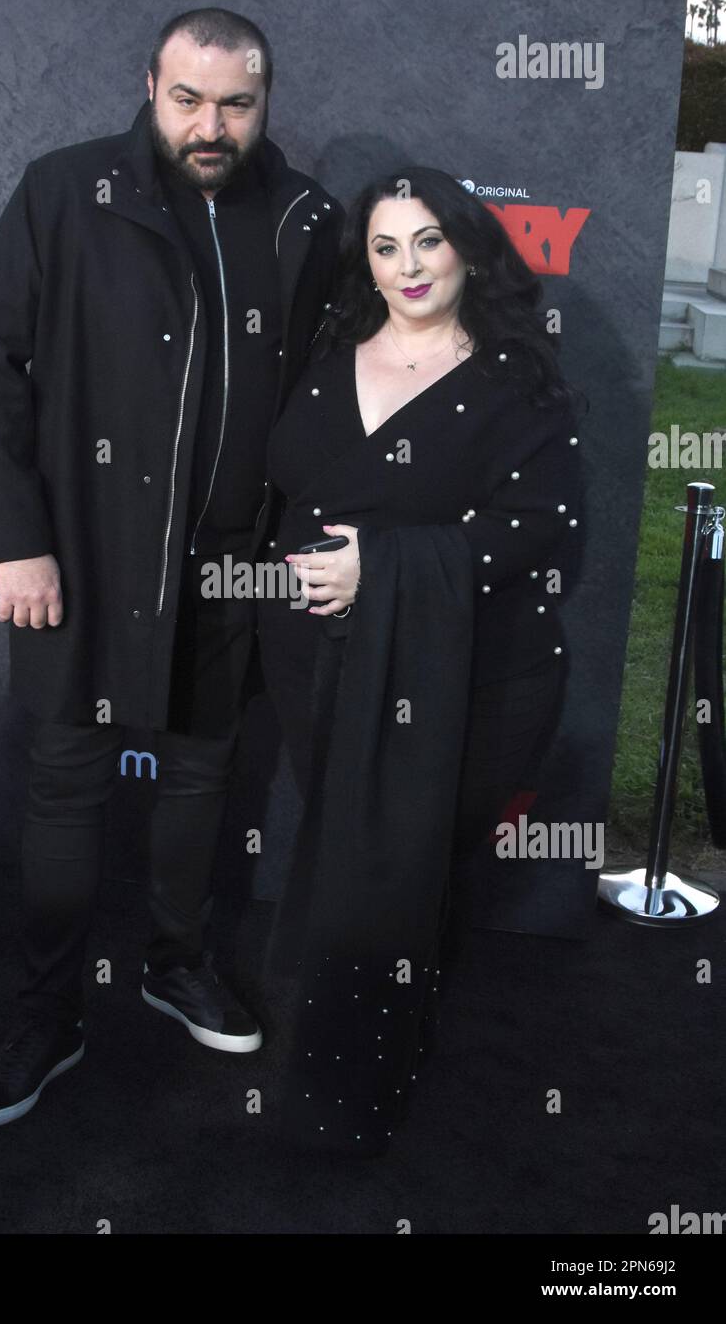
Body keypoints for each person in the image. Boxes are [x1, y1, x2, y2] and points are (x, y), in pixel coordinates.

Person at [0, 7, 344, 1128]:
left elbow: (325, 398)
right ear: (149, 87)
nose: (210, 124)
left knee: (201, 772)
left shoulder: (308, 216)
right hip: (75, 556)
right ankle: (46, 1011)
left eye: (236, 102)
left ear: (266, 100)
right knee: (65, 782)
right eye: (187, 98)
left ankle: (175, 963)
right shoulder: (66, 191)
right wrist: (13, 539)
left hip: (231, 568)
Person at [254, 165, 588, 1156]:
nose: (408, 266)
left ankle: (376, 1065)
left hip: (462, 676)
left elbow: (540, 527)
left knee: (411, 859)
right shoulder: (328, 351)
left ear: (465, 246)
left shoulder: (515, 376)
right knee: (347, 845)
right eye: (384, 247)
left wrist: (383, 568)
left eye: (427, 241)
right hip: (314, 660)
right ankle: (333, 1043)